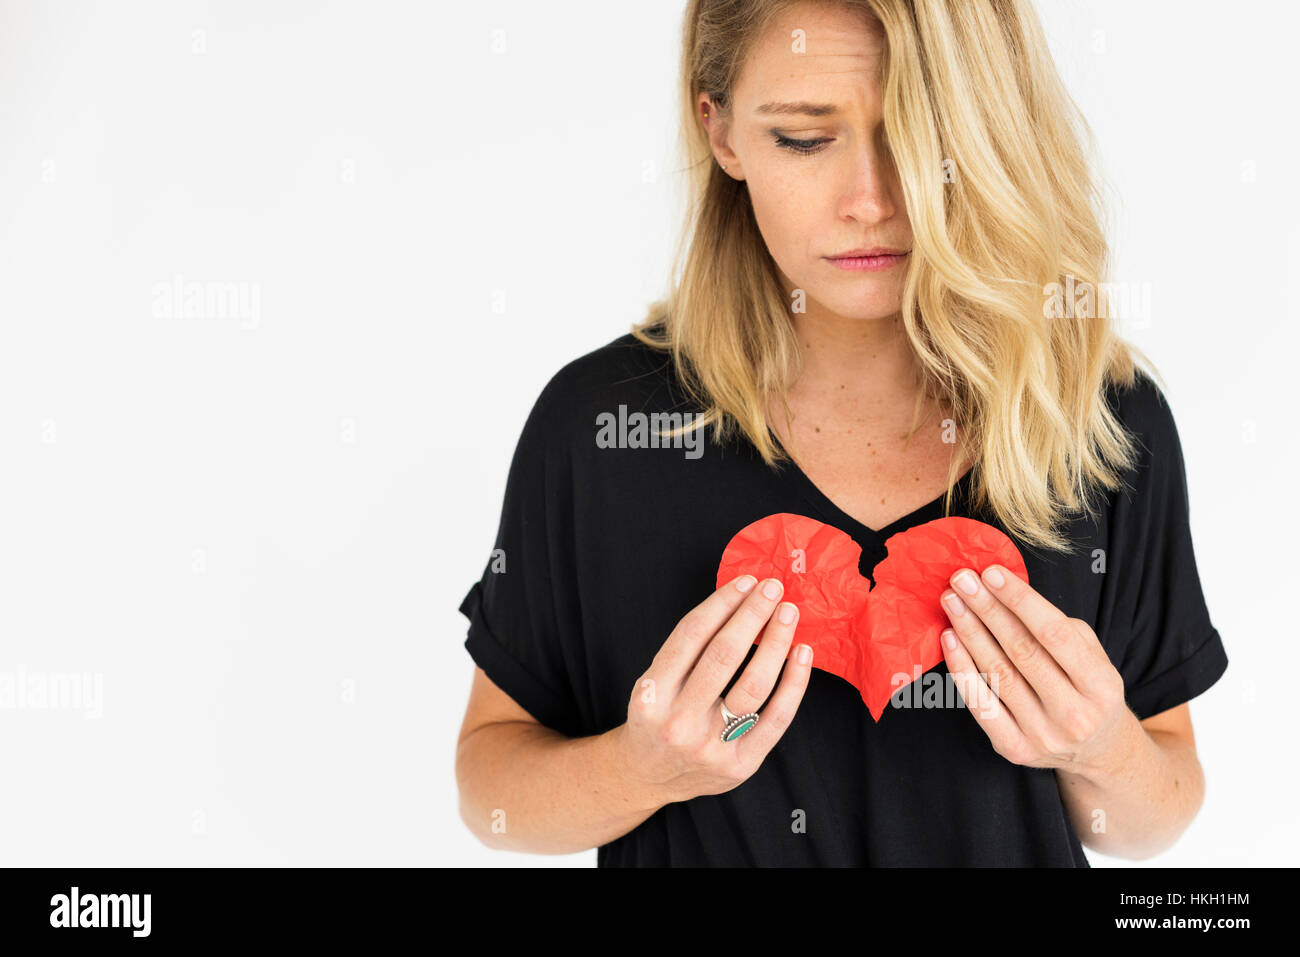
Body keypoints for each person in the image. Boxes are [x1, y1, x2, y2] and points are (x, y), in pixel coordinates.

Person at [453, 0, 1228, 866]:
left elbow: (1158, 811)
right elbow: (489, 785)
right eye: (804, 138)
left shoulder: (1098, 421)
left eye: (918, 138)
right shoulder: (598, 428)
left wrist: (1099, 748)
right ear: (720, 131)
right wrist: (647, 768)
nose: (870, 201)